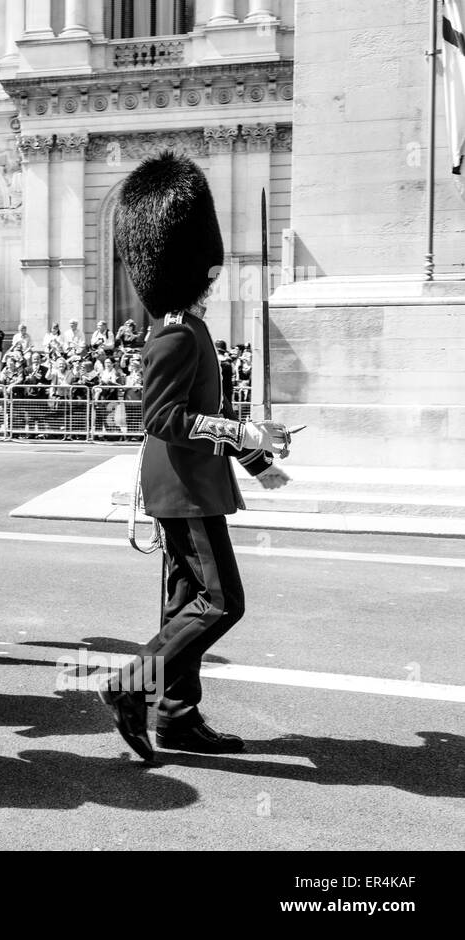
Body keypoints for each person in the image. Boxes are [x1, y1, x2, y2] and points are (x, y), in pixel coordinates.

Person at [99, 152, 294, 761]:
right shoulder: (177, 332)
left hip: (192, 480)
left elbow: (203, 411)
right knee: (221, 601)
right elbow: (162, 419)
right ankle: (130, 686)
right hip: (183, 485)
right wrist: (242, 435)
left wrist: (259, 450)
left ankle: (178, 716)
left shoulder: (189, 328)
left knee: (186, 602)